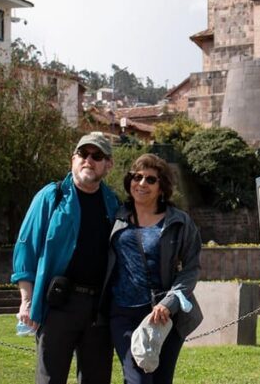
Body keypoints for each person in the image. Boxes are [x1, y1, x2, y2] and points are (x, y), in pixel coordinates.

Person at [12, 132, 120, 384]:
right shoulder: (52, 196)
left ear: (108, 164)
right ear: (73, 159)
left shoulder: (112, 203)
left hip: (98, 309)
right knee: (50, 379)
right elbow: (26, 249)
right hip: (58, 305)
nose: (88, 160)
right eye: (83, 154)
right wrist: (26, 301)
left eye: (97, 156)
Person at [106, 154, 203, 384]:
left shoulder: (179, 222)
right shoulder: (116, 217)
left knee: (161, 380)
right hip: (123, 313)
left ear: (162, 188)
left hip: (163, 316)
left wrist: (169, 303)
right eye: (136, 177)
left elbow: (191, 268)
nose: (141, 184)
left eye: (150, 179)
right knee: (138, 379)